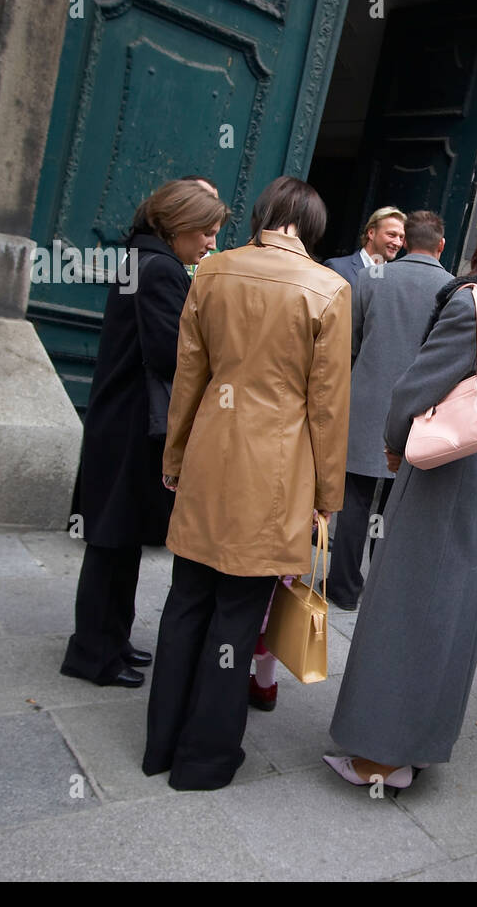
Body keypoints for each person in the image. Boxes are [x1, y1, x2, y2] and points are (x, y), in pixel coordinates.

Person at [326, 200, 477, 790]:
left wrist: (396, 443)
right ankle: (421, 745)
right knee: (452, 619)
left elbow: (414, 390)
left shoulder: (473, 301)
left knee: (405, 611)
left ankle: (381, 755)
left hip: (443, 478)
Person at [142, 176, 350, 791]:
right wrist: (328, 496)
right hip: (278, 468)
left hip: (211, 448)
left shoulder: (212, 271)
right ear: (311, 227)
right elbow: (329, 406)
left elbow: (189, 376)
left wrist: (175, 458)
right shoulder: (330, 290)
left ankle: (160, 744)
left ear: (261, 216)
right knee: (238, 612)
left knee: (185, 600)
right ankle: (205, 758)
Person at [60, 179, 227, 689]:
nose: (211, 244)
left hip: (120, 421)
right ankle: (93, 654)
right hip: (132, 427)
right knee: (113, 544)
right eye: (206, 233)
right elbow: (168, 353)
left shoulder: (142, 259)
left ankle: (111, 641)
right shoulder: (160, 270)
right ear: (178, 227)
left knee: (120, 541)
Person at [325, 210, 452, 612]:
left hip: (365, 404)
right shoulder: (453, 289)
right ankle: (382, 592)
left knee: (354, 502)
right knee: (397, 508)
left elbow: (352, 341)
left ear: (406, 240)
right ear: (441, 245)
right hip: (419, 412)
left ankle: (343, 588)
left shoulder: (371, 278)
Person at [324, 206, 406, 290]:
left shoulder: (396, 281)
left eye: (401, 237)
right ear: (371, 233)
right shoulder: (337, 268)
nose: (398, 243)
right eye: (391, 235)